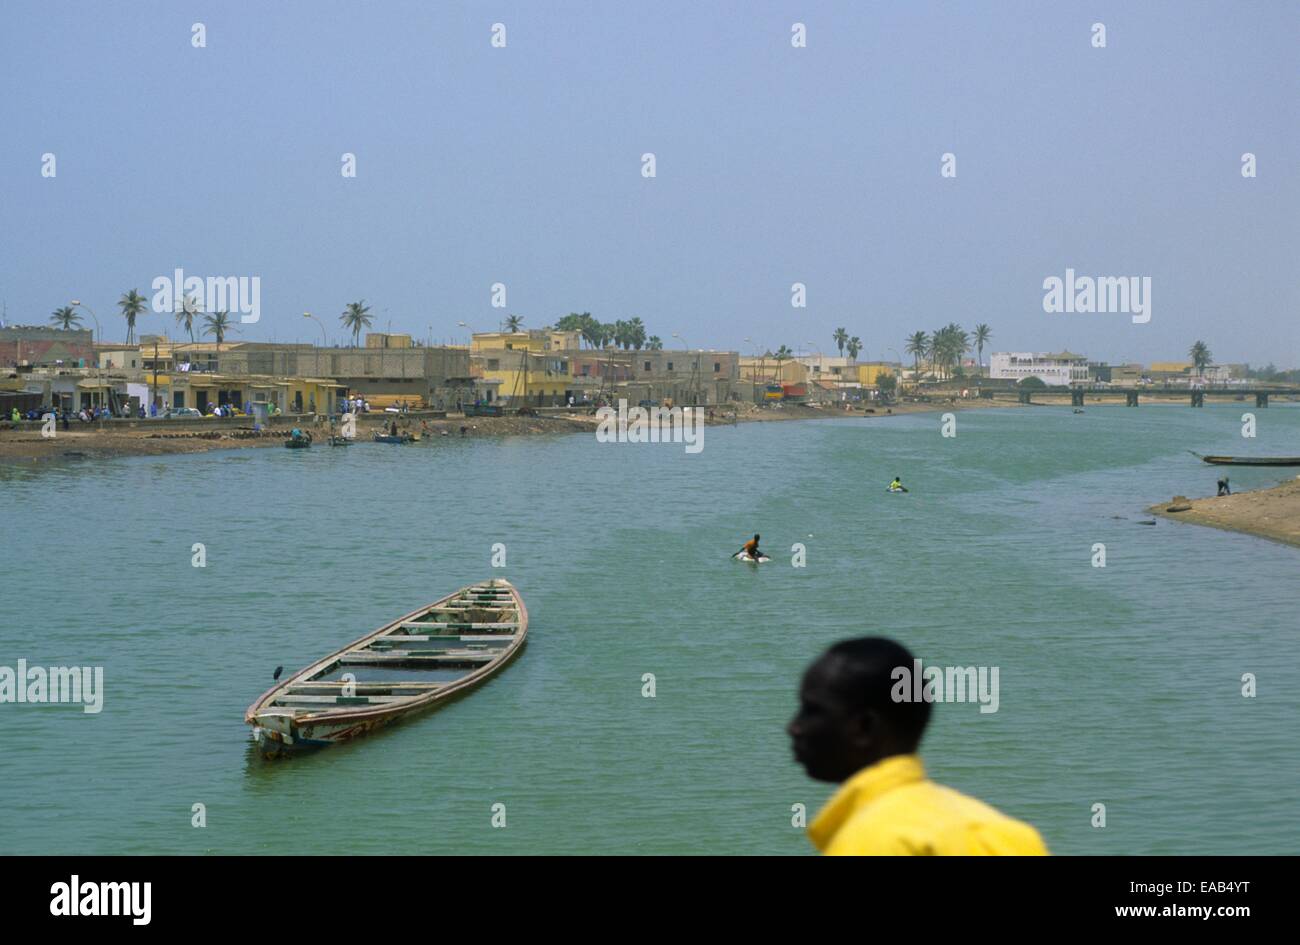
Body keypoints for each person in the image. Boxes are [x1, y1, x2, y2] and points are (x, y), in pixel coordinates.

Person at [789, 637, 1049, 856]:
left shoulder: (870, 839)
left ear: (864, 728)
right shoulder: (1007, 834)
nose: (794, 727)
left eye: (811, 711)